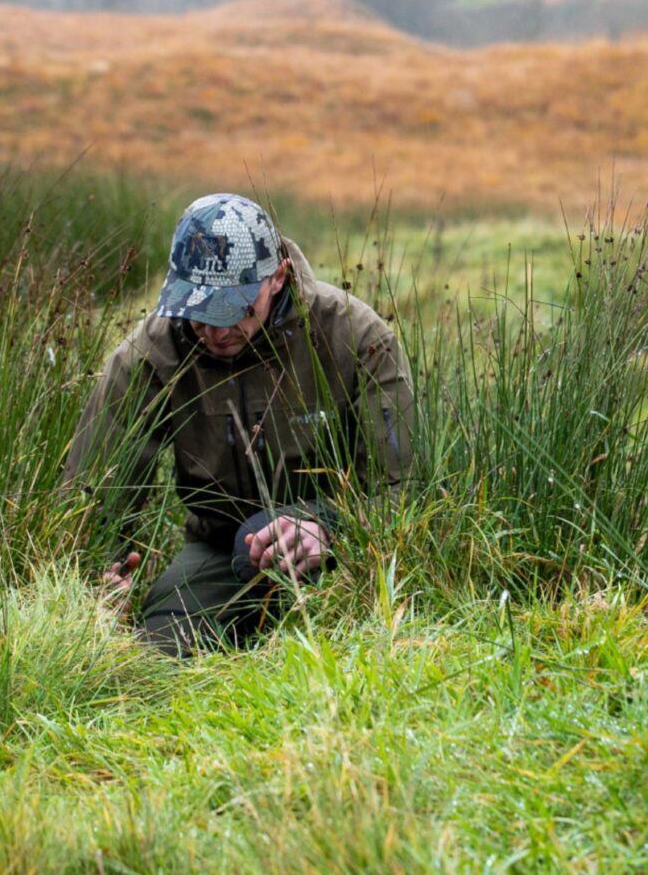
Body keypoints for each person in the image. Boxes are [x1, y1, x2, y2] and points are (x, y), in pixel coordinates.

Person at [64, 193, 413, 655]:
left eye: (233, 310)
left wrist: (328, 527)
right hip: (218, 549)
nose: (214, 331)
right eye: (197, 310)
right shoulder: (150, 355)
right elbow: (92, 497)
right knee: (155, 656)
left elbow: (403, 489)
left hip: (345, 549)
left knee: (358, 653)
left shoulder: (355, 336)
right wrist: (99, 577)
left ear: (277, 278)